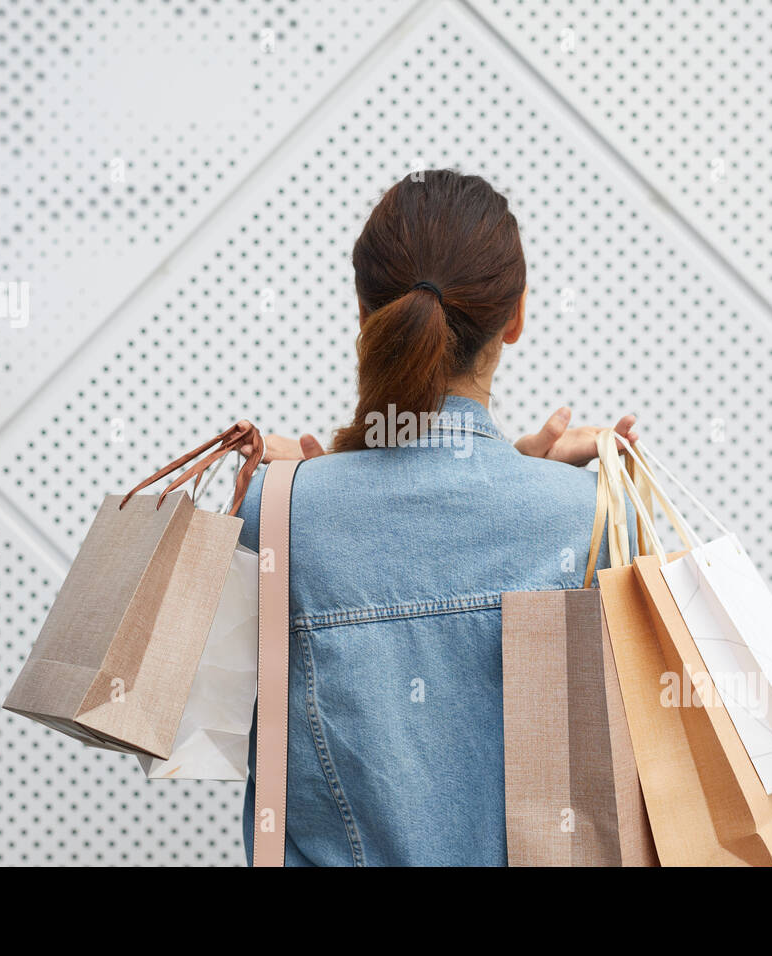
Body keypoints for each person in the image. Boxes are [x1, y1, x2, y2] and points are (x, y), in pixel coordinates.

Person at [236, 169, 639, 866]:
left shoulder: (274, 514)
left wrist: (290, 494)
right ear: (514, 318)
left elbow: (201, 725)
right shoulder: (593, 520)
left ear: (366, 312)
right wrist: (527, 481)